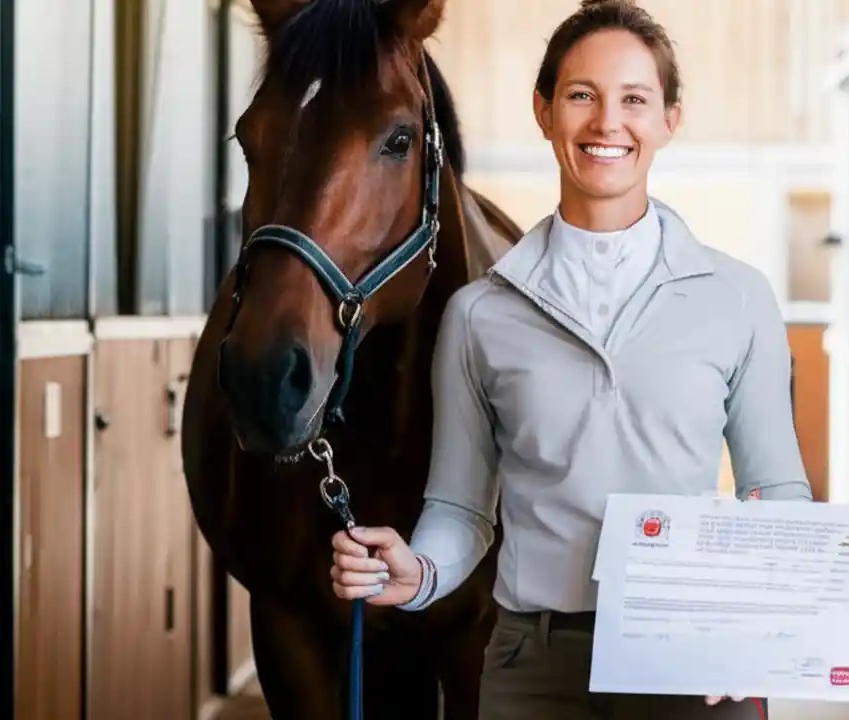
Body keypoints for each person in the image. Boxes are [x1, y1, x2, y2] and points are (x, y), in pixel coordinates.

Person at [332, 1, 811, 717]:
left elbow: (775, 491)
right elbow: (462, 508)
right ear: (545, 111)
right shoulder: (480, 316)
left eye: (635, 100)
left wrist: (756, 631)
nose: (606, 122)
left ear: (669, 121)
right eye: (581, 95)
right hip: (534, 667)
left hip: (693, 660)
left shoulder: (738, 299)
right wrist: (421, 570)